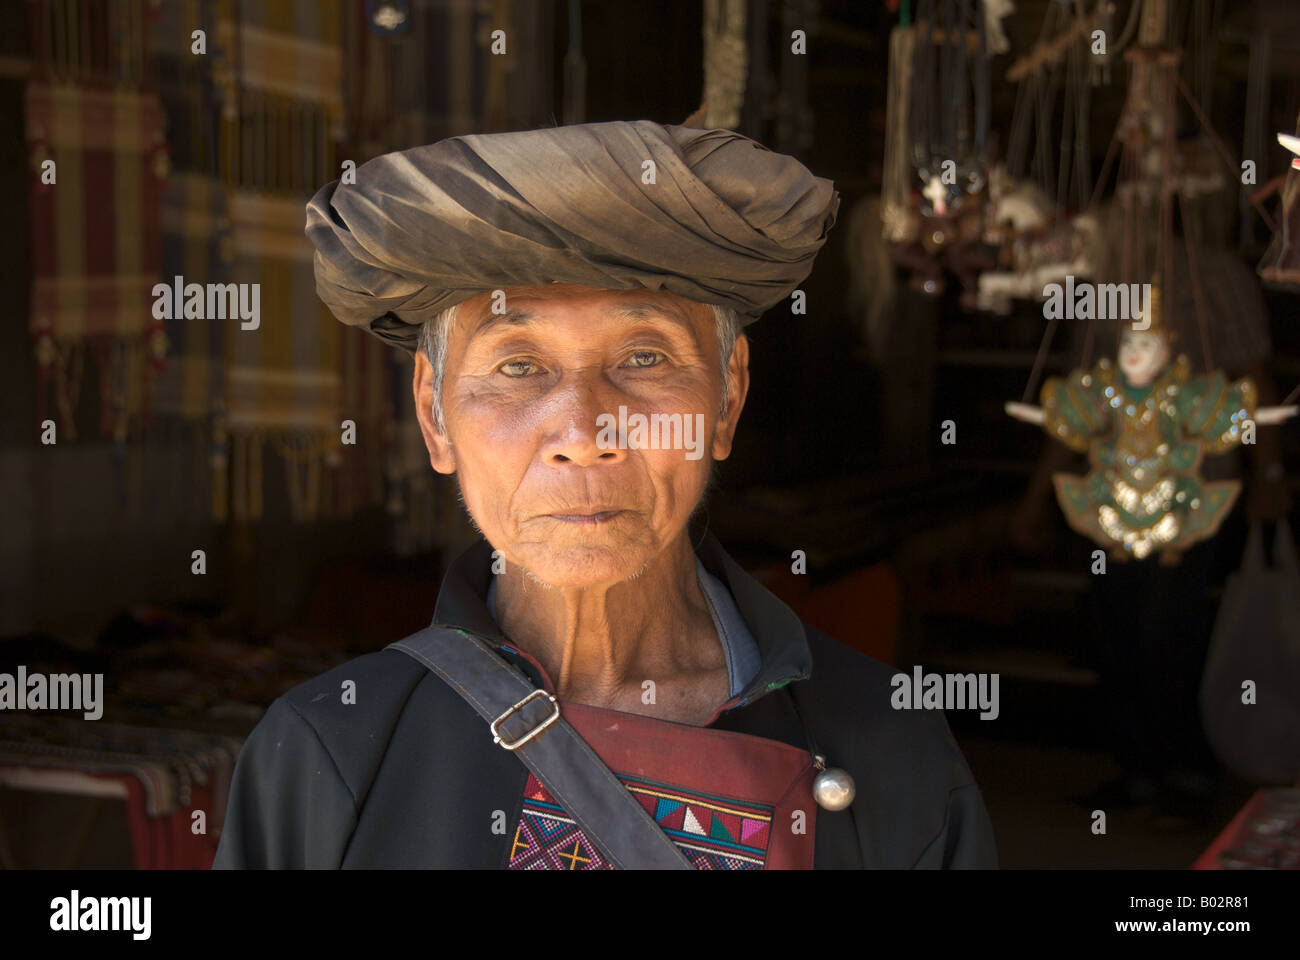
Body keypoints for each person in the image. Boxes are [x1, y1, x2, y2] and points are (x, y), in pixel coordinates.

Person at [212, 119, 997, 869]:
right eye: (519, 365)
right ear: (434, 414)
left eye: (646, 356)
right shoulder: (330, 753)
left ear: (726, 400)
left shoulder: (888, 746)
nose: (584, 429)